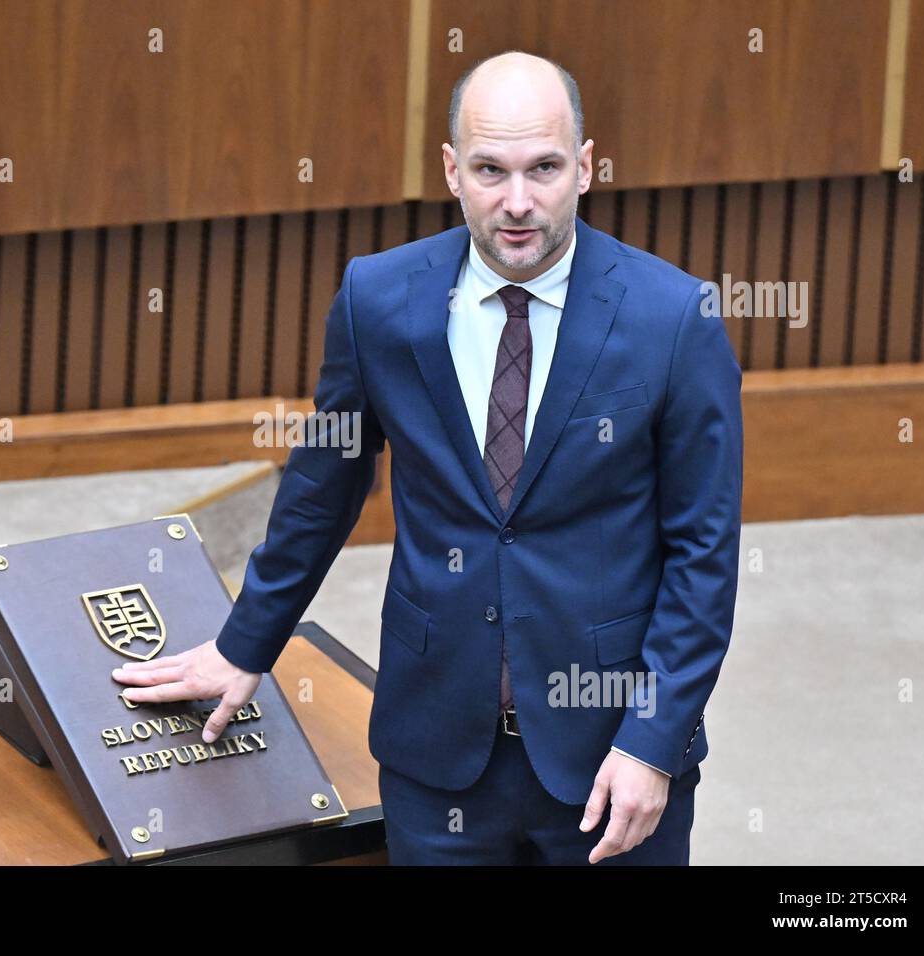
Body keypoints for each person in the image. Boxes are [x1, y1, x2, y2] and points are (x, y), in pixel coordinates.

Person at [111, 50, 743, 865]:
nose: (518, 203)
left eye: (544, 168)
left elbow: (705, 553)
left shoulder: (675, 318)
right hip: (436, 755)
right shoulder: (379, 299)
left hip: (610, 758)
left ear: (586, 167)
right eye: (490, 170)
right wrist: (246, 643)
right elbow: (321, 488)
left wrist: (655, 741)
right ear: (451, 169)